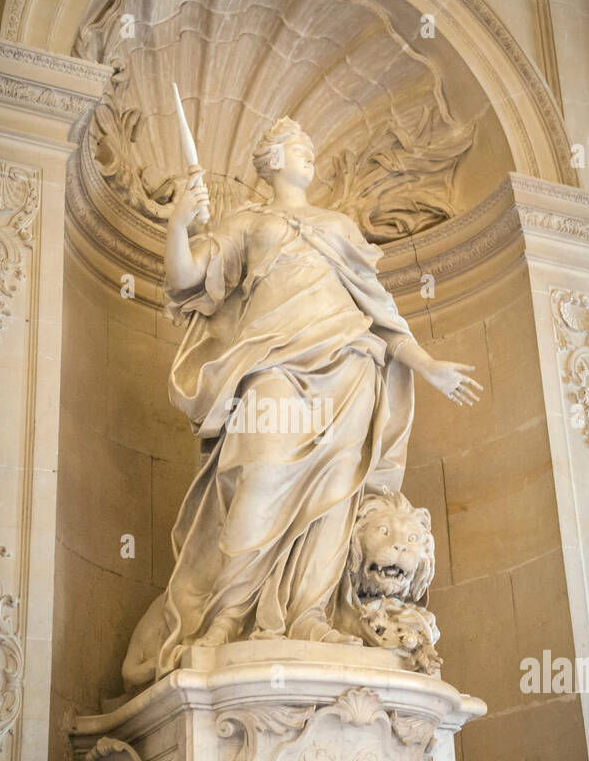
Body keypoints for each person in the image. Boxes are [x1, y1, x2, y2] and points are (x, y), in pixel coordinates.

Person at [122, 117, 481, 687]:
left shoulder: (337, 226)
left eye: (311, 145)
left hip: (349, 370)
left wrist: (428, 366)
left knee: (335, 497)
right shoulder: (246, 223)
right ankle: (227, 617)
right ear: (270, 161)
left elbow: (382, 313)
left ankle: (309, 616)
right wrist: (179, 224)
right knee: (259, 477)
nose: (309, 154)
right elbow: (186, 277)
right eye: (298, 147)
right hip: (271, 368)